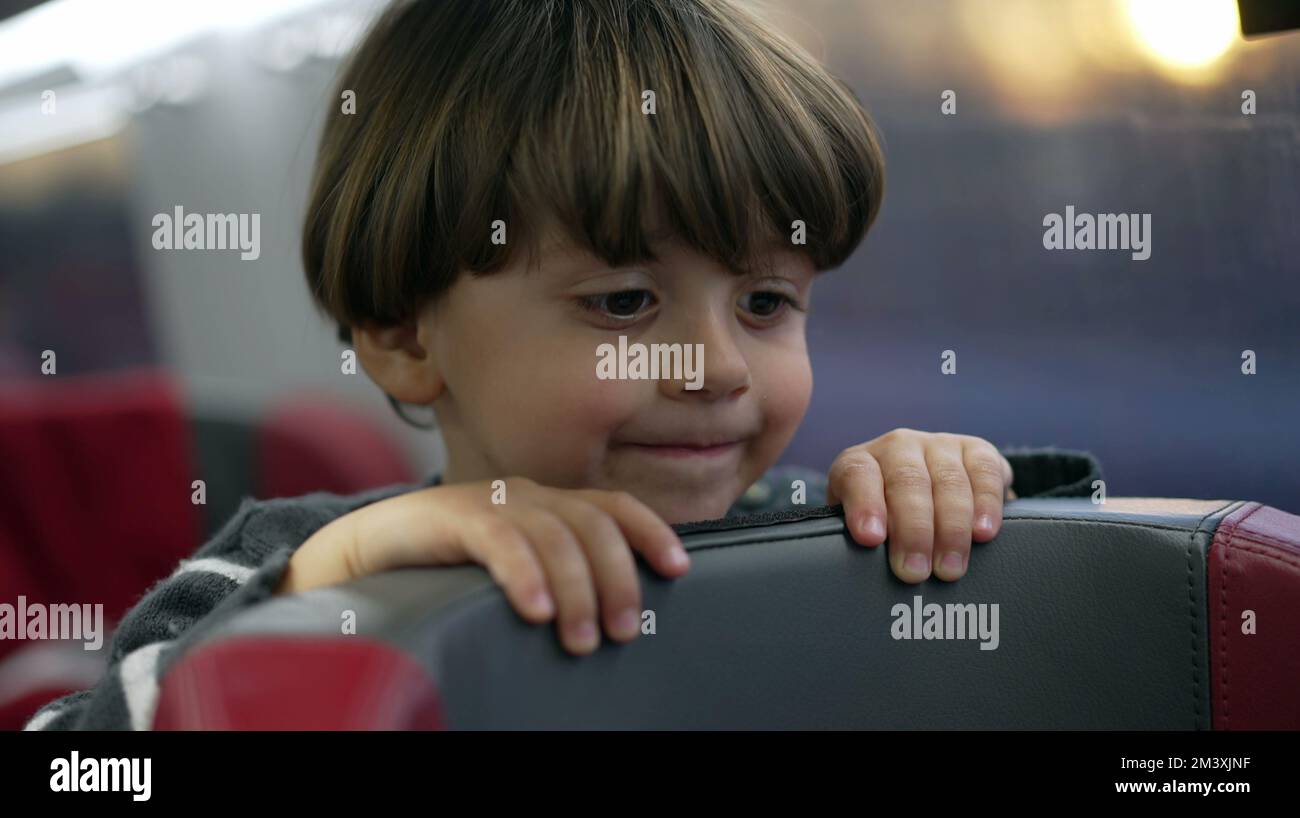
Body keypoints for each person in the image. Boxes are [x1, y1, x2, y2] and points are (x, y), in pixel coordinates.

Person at [25, 0, 1100, 730]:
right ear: (404, 335)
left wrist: (955, 496)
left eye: (767, 301)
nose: (718, 365)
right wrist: (327, 585)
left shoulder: (817, 530)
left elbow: (1101, 634)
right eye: (626, 301)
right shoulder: (298, 557)